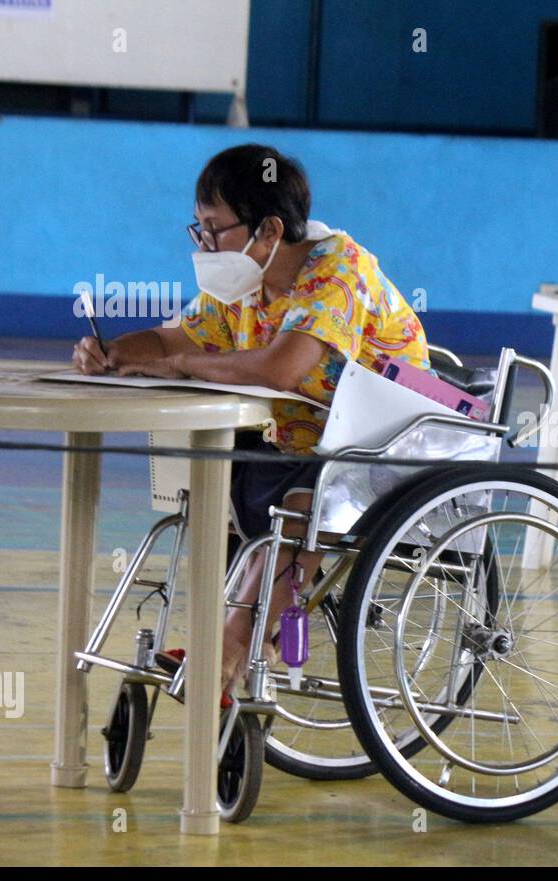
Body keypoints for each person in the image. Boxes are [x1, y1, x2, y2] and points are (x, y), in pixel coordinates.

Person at [70, 143, 430, 701]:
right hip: (301, 446)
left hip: (383, 450)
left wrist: (180, 365)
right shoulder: (241, 285)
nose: (204, 244)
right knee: (215, 476)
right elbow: (172, 339)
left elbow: (282, 369)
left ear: (268, 230)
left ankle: (228, 656)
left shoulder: (337, 269)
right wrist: (112, 352)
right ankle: (221, 640)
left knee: (302, 509)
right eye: (199, 228)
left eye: (215, 229)